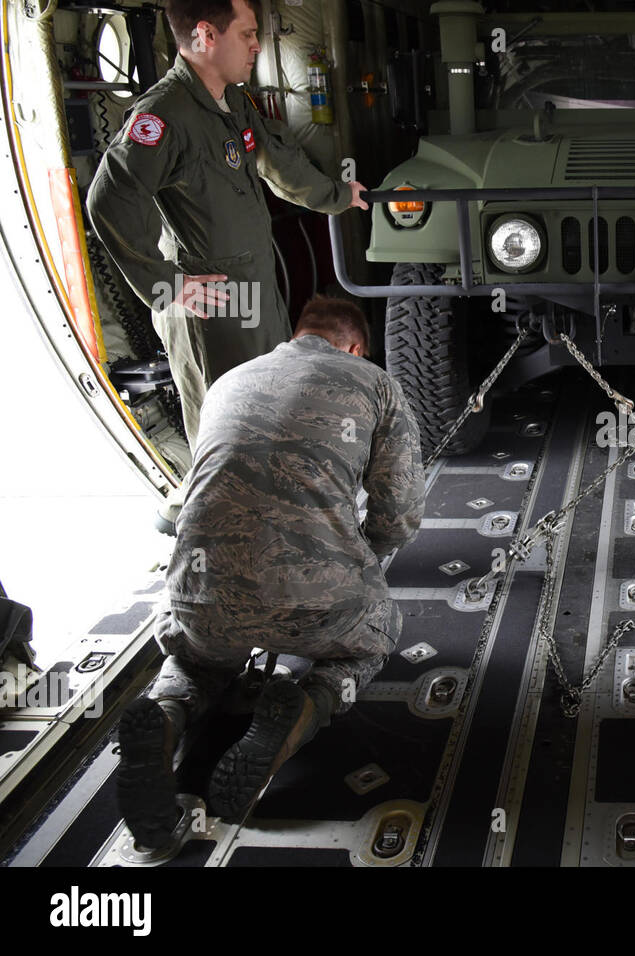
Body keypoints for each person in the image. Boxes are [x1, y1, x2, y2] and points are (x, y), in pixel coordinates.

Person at [115, 297, 425, 846]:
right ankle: (305, 710)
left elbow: (208, 483)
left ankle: (163, 717)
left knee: (196, 659)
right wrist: (359, 559)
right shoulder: (375, 383)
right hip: (318, 606)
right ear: (355, 347)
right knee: (375, 637)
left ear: (299, 334)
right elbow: (398, 515)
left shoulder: (230, 380)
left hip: (203, 598)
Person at [86, 0, 370, 531]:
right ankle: (213, 529)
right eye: (248, 33)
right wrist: (168, 285)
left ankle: (266, 517)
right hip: (213, 294)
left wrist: (337, 194)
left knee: (268, 402)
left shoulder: (230, 102)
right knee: (226, 419)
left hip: (254, 283)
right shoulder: (162, 114)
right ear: (204, 36)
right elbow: (110, 201)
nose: (258, 44)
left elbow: (278, 163)